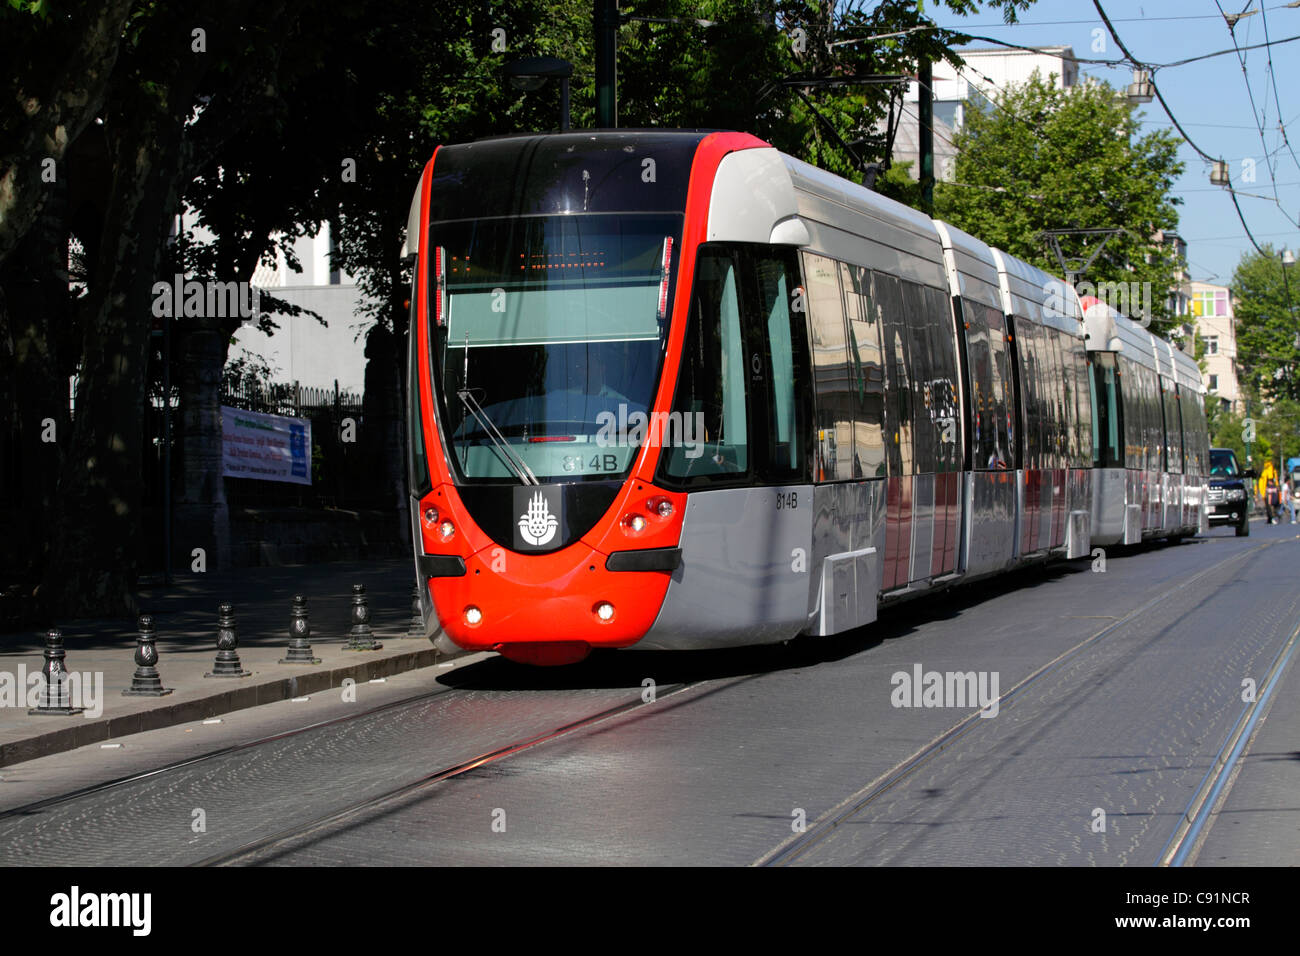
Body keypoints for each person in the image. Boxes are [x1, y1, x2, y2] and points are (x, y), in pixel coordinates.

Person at [1259, 459, 1279, 524]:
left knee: (1270, 505)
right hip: (1268, 490)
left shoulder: (1267, 471)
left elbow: (1270, 479)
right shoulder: (1270, 470)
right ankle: (1270, 518)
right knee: (1270, 505)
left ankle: (1271, 518)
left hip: (1268, 490)